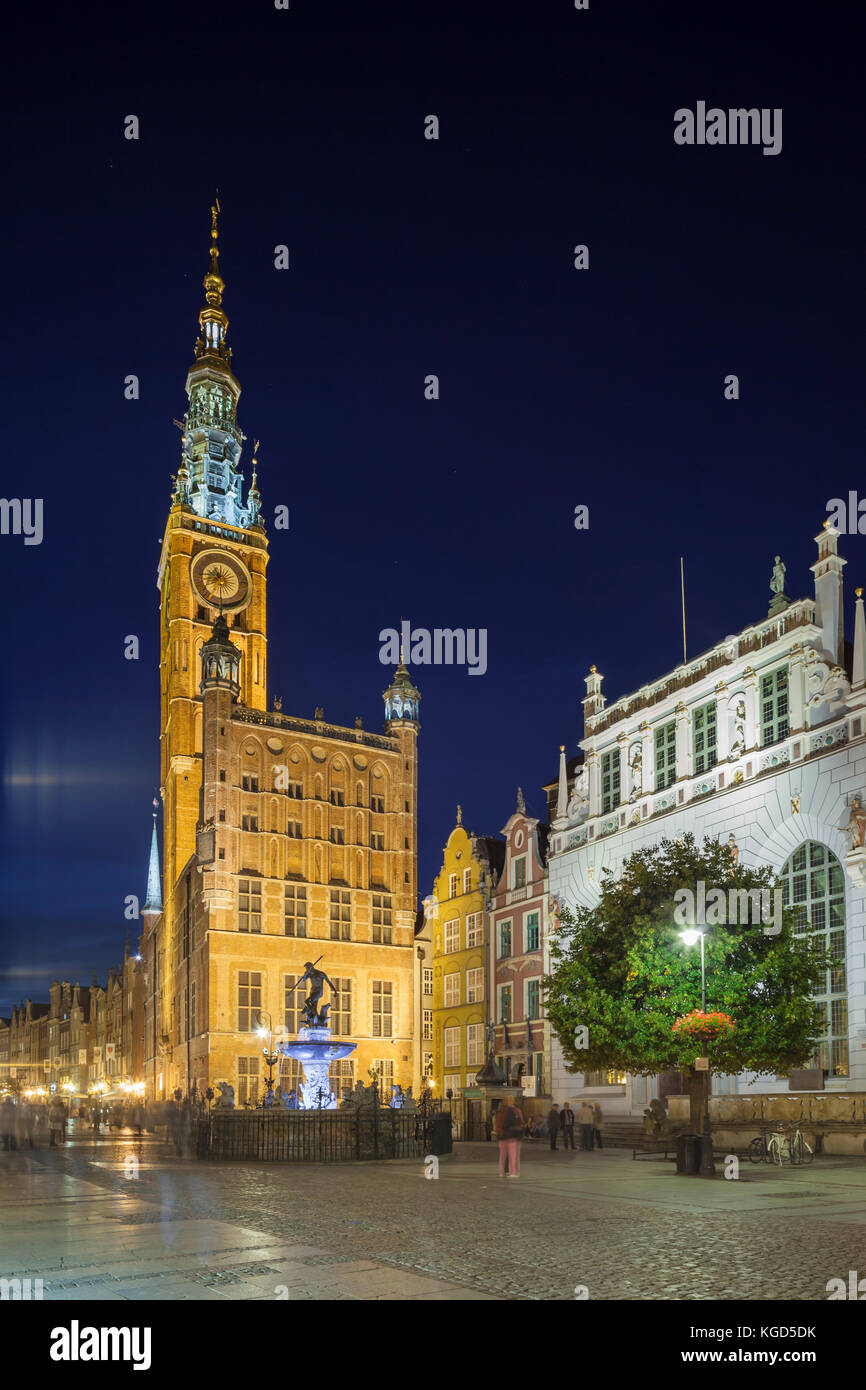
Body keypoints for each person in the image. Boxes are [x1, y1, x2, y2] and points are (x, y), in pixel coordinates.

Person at [495, 1098, 525, 1178]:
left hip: (505, 1135)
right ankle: (513, 1172)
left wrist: (499, 1132)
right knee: (513, 1155)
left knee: (505, 1155)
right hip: (512, 1135)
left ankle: (504, 1171)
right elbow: (520, 1122)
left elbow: (498, 1124)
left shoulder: (501, 1111)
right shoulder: (515, 1110)